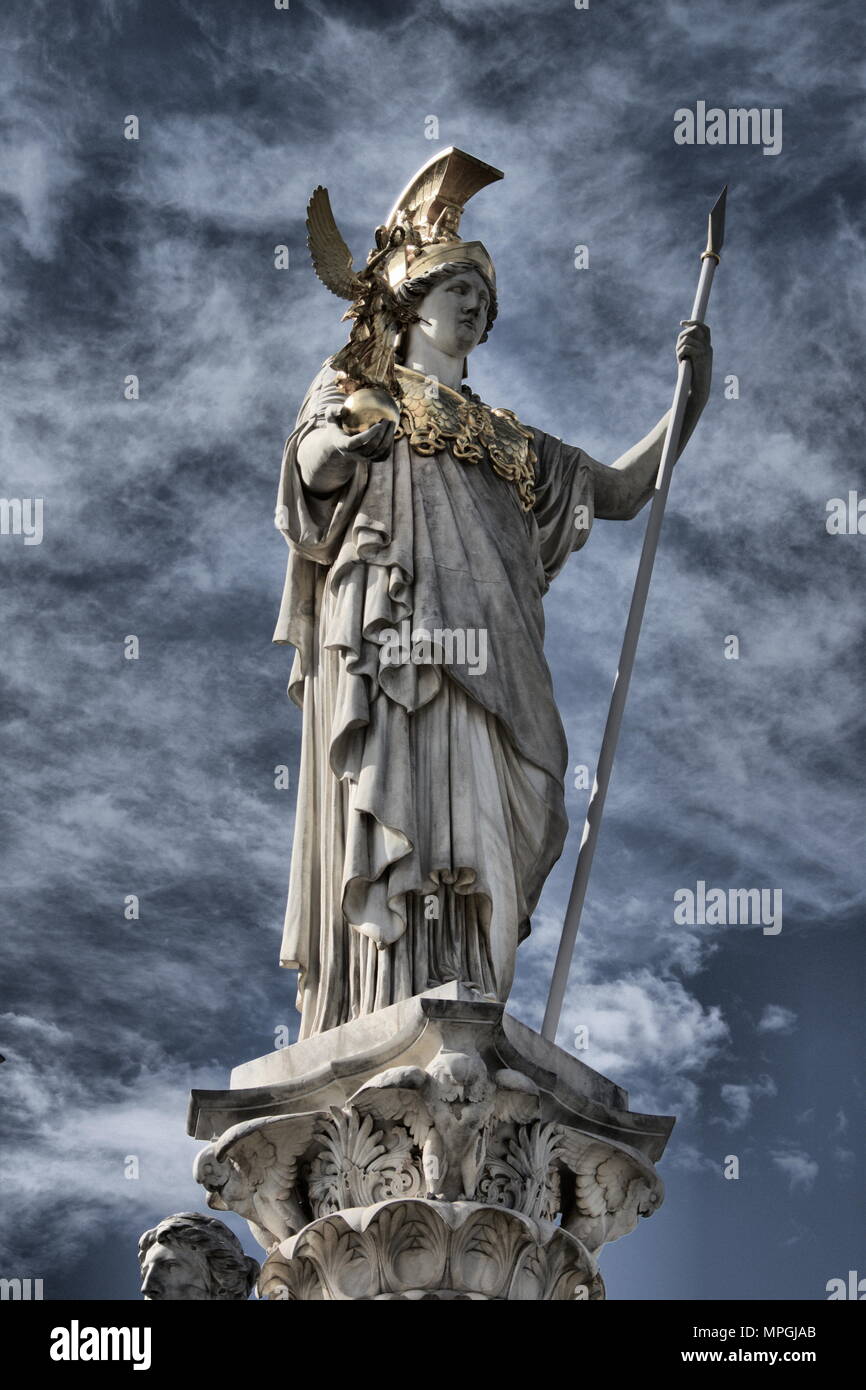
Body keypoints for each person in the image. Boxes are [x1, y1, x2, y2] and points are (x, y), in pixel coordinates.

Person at [274, 149, 711, 1039]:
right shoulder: (363, 392)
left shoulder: (514, 441)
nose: (474, 304)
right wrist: (347, 451)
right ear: (410, 302)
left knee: (502, 810)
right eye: (456, 288)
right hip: (398, 636)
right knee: (413, 801)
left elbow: (624, 490)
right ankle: (395, 987)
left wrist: (690, 398)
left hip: (498, 646)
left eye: (484, 295)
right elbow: (306, 472)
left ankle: (469, 979)